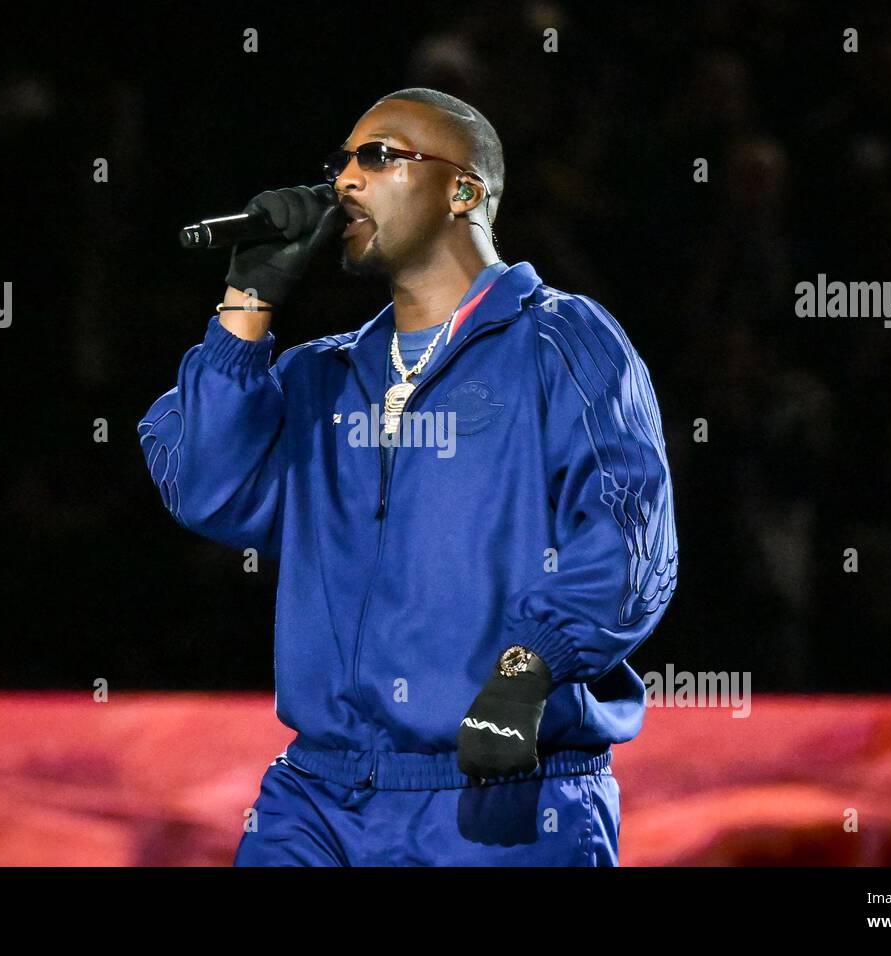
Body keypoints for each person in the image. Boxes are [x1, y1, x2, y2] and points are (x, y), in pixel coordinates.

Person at [138, 88, 678, 866]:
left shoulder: (562, 340)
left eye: (379, 156)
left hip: (502, 799)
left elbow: (632, 537)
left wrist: (528, 670)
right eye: (340, 162)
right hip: (318, 799)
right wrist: (247, 302)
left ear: (464, 190)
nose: (345, 181)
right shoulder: (321, 375)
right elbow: (202, 485)